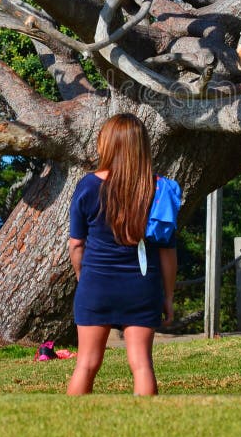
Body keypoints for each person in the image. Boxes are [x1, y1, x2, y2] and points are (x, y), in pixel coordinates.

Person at [66, 113, 178, 396]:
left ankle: (68, 427)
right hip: (141, 286)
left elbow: (76, 244)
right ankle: (143, 429)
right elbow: (167, 251)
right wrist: (168, 295)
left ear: (107, 144)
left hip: (97, 284)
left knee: (87, 364)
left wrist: (83, 277)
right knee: (141, 364)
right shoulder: (158, 188)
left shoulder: (88, 186)